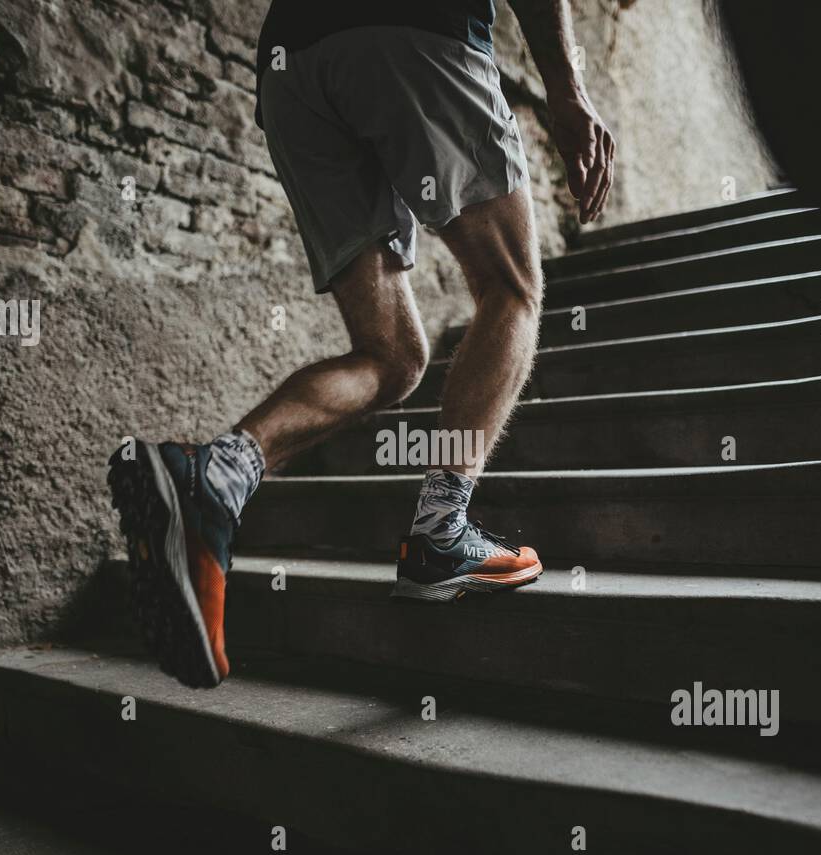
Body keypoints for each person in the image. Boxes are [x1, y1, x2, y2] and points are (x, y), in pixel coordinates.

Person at [109, 0, 615, 687]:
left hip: (290, 64)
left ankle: (215, 477)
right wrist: (566, 92)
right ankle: (442, 533)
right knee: (512, 289)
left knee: (393, 356)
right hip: (416, 28)